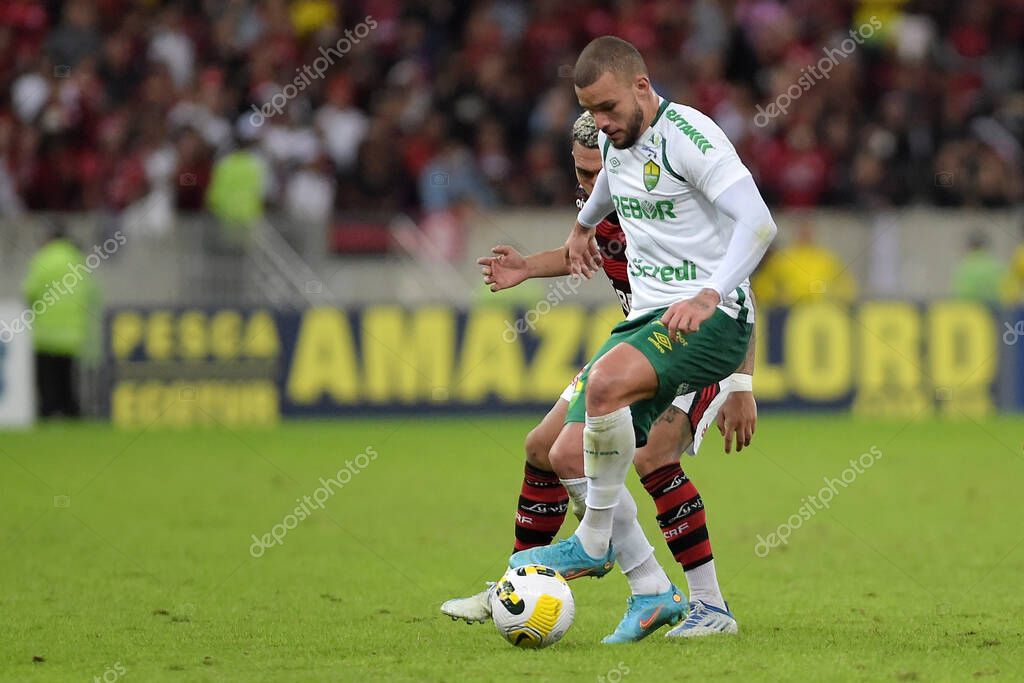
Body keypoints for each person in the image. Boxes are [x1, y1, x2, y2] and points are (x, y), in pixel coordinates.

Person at [441, 109, 758, 643]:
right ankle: (517, 585)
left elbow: (739, 277)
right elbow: (584, 251)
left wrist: (743, 385)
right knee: (544, 447)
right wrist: (527, 267)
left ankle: (707, 604)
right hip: (639, 340)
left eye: (596, 174)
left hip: (692, 340)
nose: (589, 185)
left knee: (652, 455)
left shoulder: (664, 197)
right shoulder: (606, 203)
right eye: (582, 174)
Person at [508, 36, 777, 638]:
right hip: (648, 323)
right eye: (590, 112)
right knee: (561, 451)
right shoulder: (615, 141)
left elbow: (759, 221)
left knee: (620, 409)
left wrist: (713, 297)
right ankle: (652, 590)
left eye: (607, 108)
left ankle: (599, 545)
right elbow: (607, 186)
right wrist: (579, 229)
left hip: (710, 321)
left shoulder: (690, 136)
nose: (601, 124)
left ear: (640, 85)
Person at [21, 222, 100, 418]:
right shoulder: (77, 259)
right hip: (72, 333)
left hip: (46, 333)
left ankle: (47, 413)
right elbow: (90, 293)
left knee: (47, 379)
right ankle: (71, 412)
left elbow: (29, 291)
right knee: (67, 378)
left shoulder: (43, 258)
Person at [751, 218, 856, 306]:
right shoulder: (781, 259)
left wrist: (835, 297)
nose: (805, 233)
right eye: (802, 230)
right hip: (790, 310)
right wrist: (776, 297)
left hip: (823, 309)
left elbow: (846, 286)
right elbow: (763, 285)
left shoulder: (827, 258)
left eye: (808, 230)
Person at [951, 231, 1005, 305]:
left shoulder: (965, 267)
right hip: (993, 309)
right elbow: (1004, 291)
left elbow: (960, 294)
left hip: (974, 310)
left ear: (970, 246)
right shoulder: (995, 265)